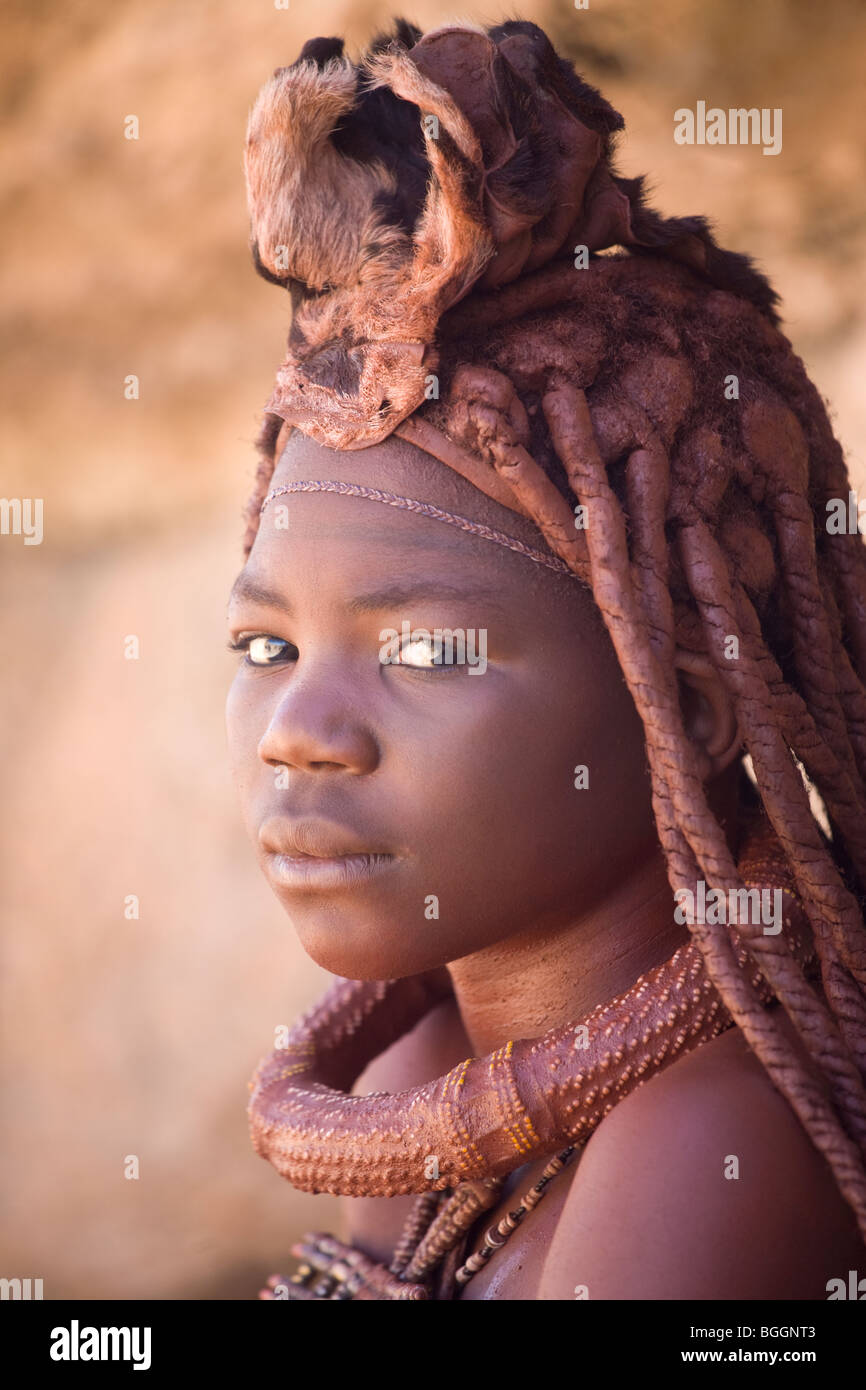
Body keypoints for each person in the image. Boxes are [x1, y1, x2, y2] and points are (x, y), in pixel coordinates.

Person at [225, 16, 866, 1300]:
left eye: (424, 649)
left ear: (681, 710)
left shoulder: (712, 1147)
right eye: (264, 642)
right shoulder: (417, 1073)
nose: (299, 727)